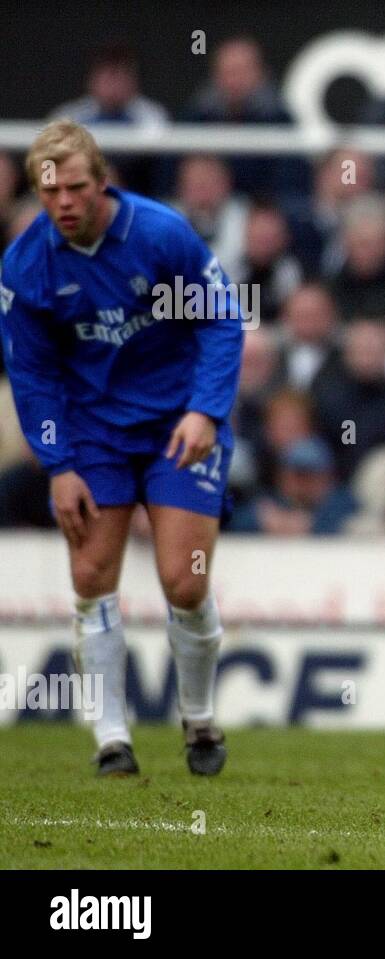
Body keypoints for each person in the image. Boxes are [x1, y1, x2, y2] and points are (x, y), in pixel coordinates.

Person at [0, 121, 244, 777]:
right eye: (51, 193)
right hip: (92, 434)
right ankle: (112, 737)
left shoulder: (161, 234)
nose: (65, 203)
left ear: (102, 181)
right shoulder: (26, 267)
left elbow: (223, 317)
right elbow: (33, 374)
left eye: (77, 187)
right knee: (89, 577)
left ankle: (198, 718)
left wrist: (205, 410)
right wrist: (58, 464)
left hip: (176, 424)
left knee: (183, 579)